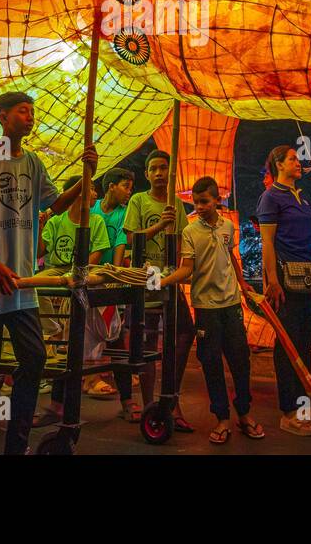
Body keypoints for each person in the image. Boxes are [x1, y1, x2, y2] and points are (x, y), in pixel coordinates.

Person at [0, 91, 95, 455]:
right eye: (22, 111)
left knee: (34, 359)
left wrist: (86, 175)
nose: (30, 117)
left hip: (22, 285)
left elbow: (57, 203)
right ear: (2, 117)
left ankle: (16, 444)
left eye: (33, 112)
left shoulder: (32, 164)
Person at [160, 177, 264, 444]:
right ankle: (222, 418)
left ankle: (244, 414)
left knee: (241, 361)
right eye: (196, 202)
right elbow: (186, 269)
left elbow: (231, 257)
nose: (199, 207)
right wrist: (160, 280)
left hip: (231, 305)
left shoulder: (228, 226)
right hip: (205, 307)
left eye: (204, 201)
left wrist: (243, 285)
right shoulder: (190, 232)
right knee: (211, 363)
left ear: (217, 200)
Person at [257, 145, 311, 436]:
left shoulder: (302, 198)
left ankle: (304, 407)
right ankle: (288, 410)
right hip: (286, 281)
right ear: (278, 164)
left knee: (303, 344)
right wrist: (272, 281)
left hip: (310, 279)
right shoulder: (271, 197)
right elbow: (267, 243)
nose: (298, 162)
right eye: (292, 159)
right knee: (287, 345)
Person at [122, 150, 193, 431]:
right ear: (147, 174)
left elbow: (182, 241)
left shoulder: (176, 203)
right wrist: (161, 225)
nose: (160, 173)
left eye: (164, 168)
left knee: (184, 332)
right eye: (154, 169)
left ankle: (170, 399)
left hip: (169, 276)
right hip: (147, 277)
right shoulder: (139, 201)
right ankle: (153, 405)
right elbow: (130, 238)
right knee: (149, 343)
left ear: (170, 171)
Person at [32, 174, 110, 427]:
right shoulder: (57, 221)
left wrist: (80, 273)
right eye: (91, 190)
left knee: (72, 292)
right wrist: (42, 226)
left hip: (79, 273)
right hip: (56, 270)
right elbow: (39, 253)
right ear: (77, 194)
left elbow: (96, 255)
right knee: (34, 283)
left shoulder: (96, 221)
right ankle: (53, 332)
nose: (96, 195)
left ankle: (63, 344)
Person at [91, 167, 133, 401]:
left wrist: (114, 275)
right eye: (125, 186)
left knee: (114, 334)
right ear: (111, 187)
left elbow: (120, 243)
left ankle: (125, 397)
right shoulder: (92, 209)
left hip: (107, 279)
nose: (129, 192)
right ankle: (90, 378)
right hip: (90, 277)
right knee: (86, 331)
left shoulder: (123, 214)